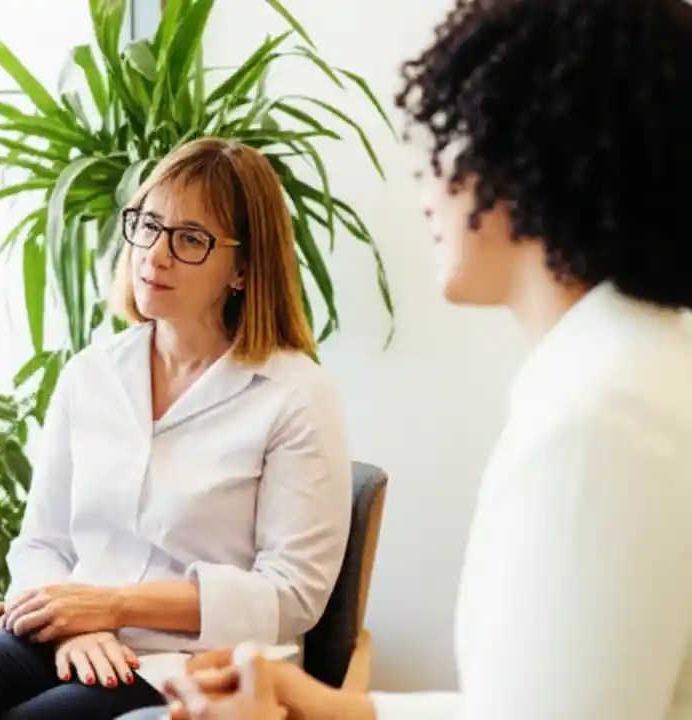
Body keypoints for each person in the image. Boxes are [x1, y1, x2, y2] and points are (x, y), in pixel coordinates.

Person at [125, 0, 692, 718]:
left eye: (449, 137)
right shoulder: (626, 367)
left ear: (529, 153)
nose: (424, 181)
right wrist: (325, 708)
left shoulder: (601, 420)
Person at [0, 137, 354, 720]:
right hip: (79, 643)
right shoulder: (90, 375)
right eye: (148, 225)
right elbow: (42, 544)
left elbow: (293, 594)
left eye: (191, 239)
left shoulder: (294, 393)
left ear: (244, 268)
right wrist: (73, 630)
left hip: (196, 663)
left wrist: (112, 607)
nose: (156, 254)